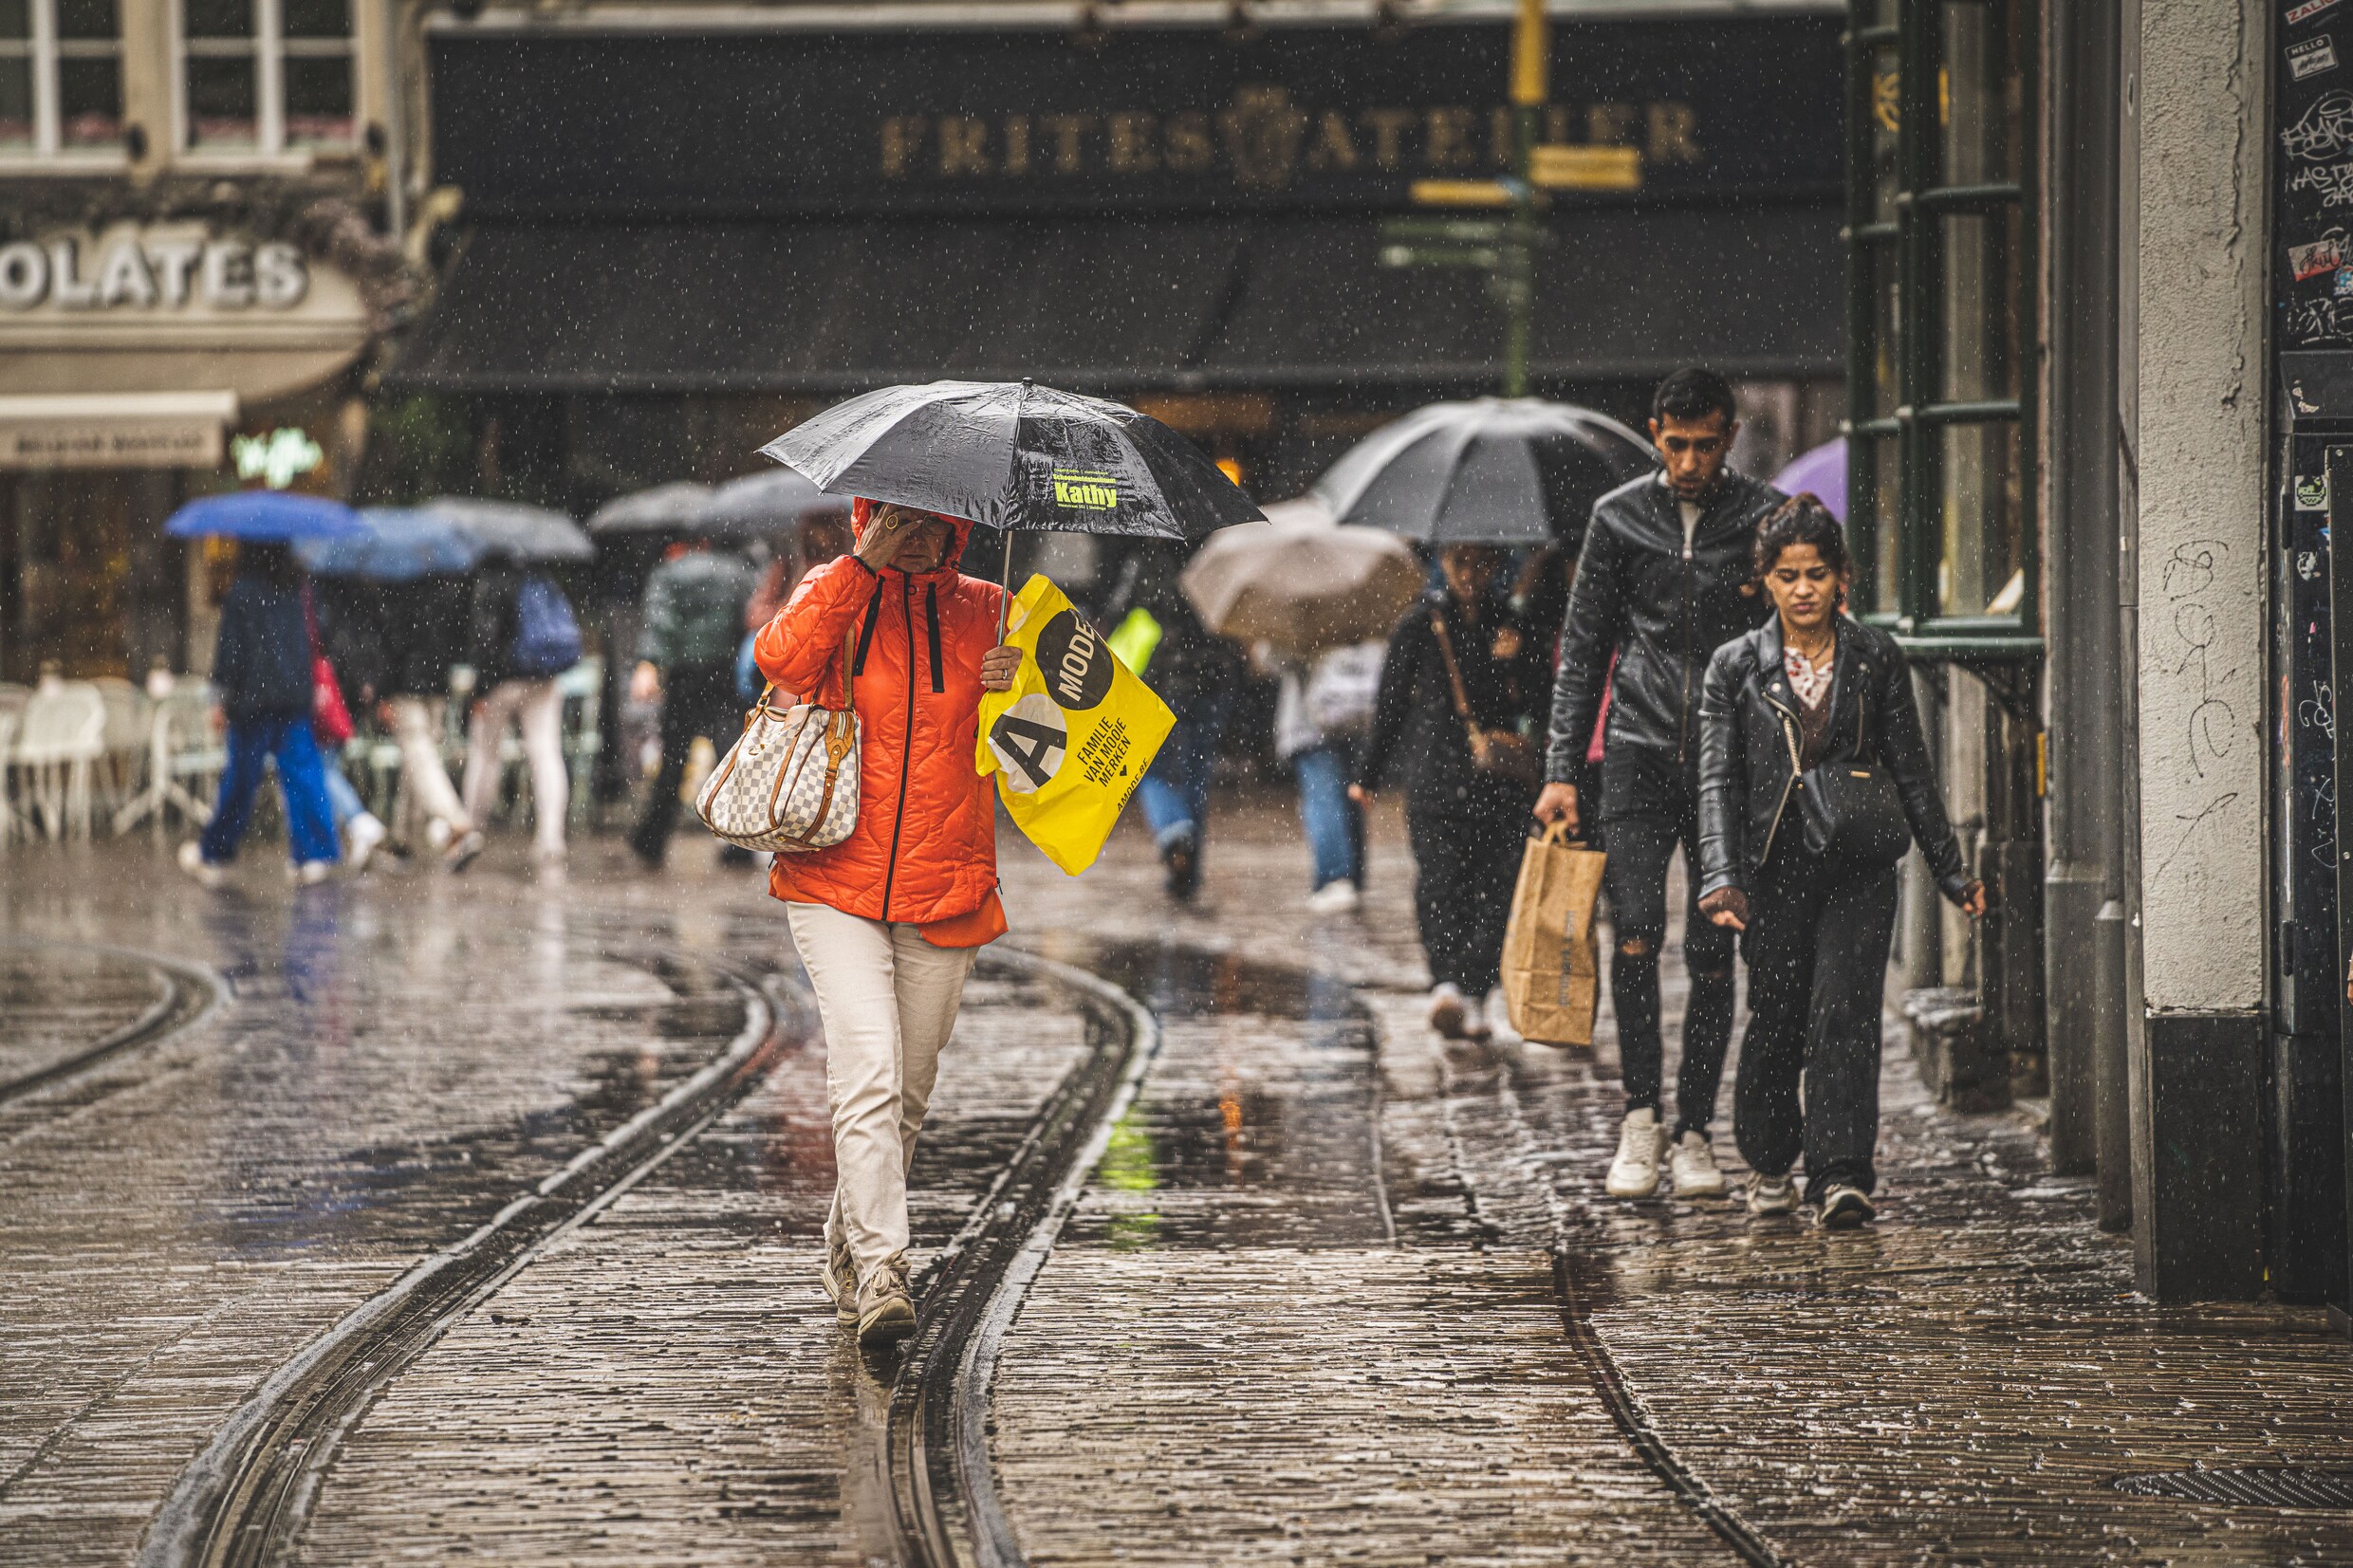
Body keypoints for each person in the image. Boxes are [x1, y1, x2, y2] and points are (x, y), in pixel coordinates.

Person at [750, 499, 1020, 1345]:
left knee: (905, 1094)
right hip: (832, 872)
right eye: (898, 518)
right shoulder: (835, 586)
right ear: (870, 516)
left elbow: (1045, 755)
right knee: (867, 1070)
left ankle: (849, 1241)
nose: (916, 534)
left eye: (933, 521)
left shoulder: (994, 611)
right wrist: (858, 568)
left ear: (961, 528)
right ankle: (882, 1271)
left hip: (946, 882)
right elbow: (779, 658)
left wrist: (1021, 690)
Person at [1695, 497, 1988, 1227]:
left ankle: (1840, 1174)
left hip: (1858, 862)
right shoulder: (1735, 666)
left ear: (1841, 577)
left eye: (1817, 574)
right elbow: (1717, 780)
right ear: (1765, 579)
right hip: (1773, 864)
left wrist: (1951, 869)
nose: (1803, 590)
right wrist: (1722, 875)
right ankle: (1769, 1158)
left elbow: (1911, 768)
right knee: (1777, 1014)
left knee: (1846, 1013)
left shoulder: (1874, 656)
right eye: (1788, 575)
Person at [1534, 366, 1785, 1202]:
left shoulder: (1760, 519)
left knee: (1714, 946)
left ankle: (1695, 1130)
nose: (1688, 462)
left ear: (1729, 437)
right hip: (1636, 753)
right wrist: (1561, 771)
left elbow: (1782, 647)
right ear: (1655, 434)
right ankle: (1640, 1116)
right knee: (1634, 932)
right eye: (1675, 445)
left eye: (1705, 446)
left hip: (1726, 764)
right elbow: (1583, 653)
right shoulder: (1618, 518)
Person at [1351, 545, 1550, 1042]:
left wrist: (1514, 665)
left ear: (1495, 566)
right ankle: (1445, 982)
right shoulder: (1420, 624)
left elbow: (1541, 702)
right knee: (1441, 883)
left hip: (1502, 784)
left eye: (1480, 563)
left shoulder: (1515, 623)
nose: (1469, 574)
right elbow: (1392, 702)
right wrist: (1368, 774)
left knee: (1498, 888)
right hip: (1436, 780)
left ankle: (1476, 990)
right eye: (1459, 563)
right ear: (1442, 563)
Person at [176, 544, 341, 887]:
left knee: (240, 780)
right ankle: (314, 852)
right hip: (294, 696)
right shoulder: (298, 587)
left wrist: (221, 698)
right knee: (304, 776)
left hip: (253, 700)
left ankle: (215, 851)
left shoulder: (243, 592)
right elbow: (318, 636)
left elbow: (230, 650)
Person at [1101, 540, 1243, 899]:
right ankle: (1189, 871)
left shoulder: (1148, 558)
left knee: (1152, 766)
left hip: (1165, 677)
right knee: (1197, 771)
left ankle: (1174, 830)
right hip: (1215, 677)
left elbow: (1118, 611)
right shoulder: (1215, 556)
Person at [630, 536, 758, 868]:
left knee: (674, 759)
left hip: (684, 677)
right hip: (725, 674)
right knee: (730, 755)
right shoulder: (738, 571)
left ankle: (653, 838)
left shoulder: (668, 574)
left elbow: (660, 622)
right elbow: (749, 619)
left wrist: (650, 661)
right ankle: (740, 841)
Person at [461, 553, 580, 868]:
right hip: (543, 677)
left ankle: (470, 829)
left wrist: (481, 689)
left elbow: (485, 640)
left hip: (503, 680)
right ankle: (551, 837)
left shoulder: (491, 582)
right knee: (546, 753)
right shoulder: (540, 578)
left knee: (485, 754)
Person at [372, 572, 483, 868]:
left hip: (406, 685)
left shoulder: (395, 587)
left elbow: (390, 642)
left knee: (419, 757)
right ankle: (402, 838)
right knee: (420, 759)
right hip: (436, 683)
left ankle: (455, 821)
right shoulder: (442, 581)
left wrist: (382, 690)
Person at [1270, 640, 1381, 913]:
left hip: (1310, 722)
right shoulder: (1359, 626)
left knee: (1323, 798)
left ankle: (1335, 876)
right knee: (1350, 796)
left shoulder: (1301, 629)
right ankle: (1352, 876)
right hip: (1355, 717)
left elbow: (1276, 659)